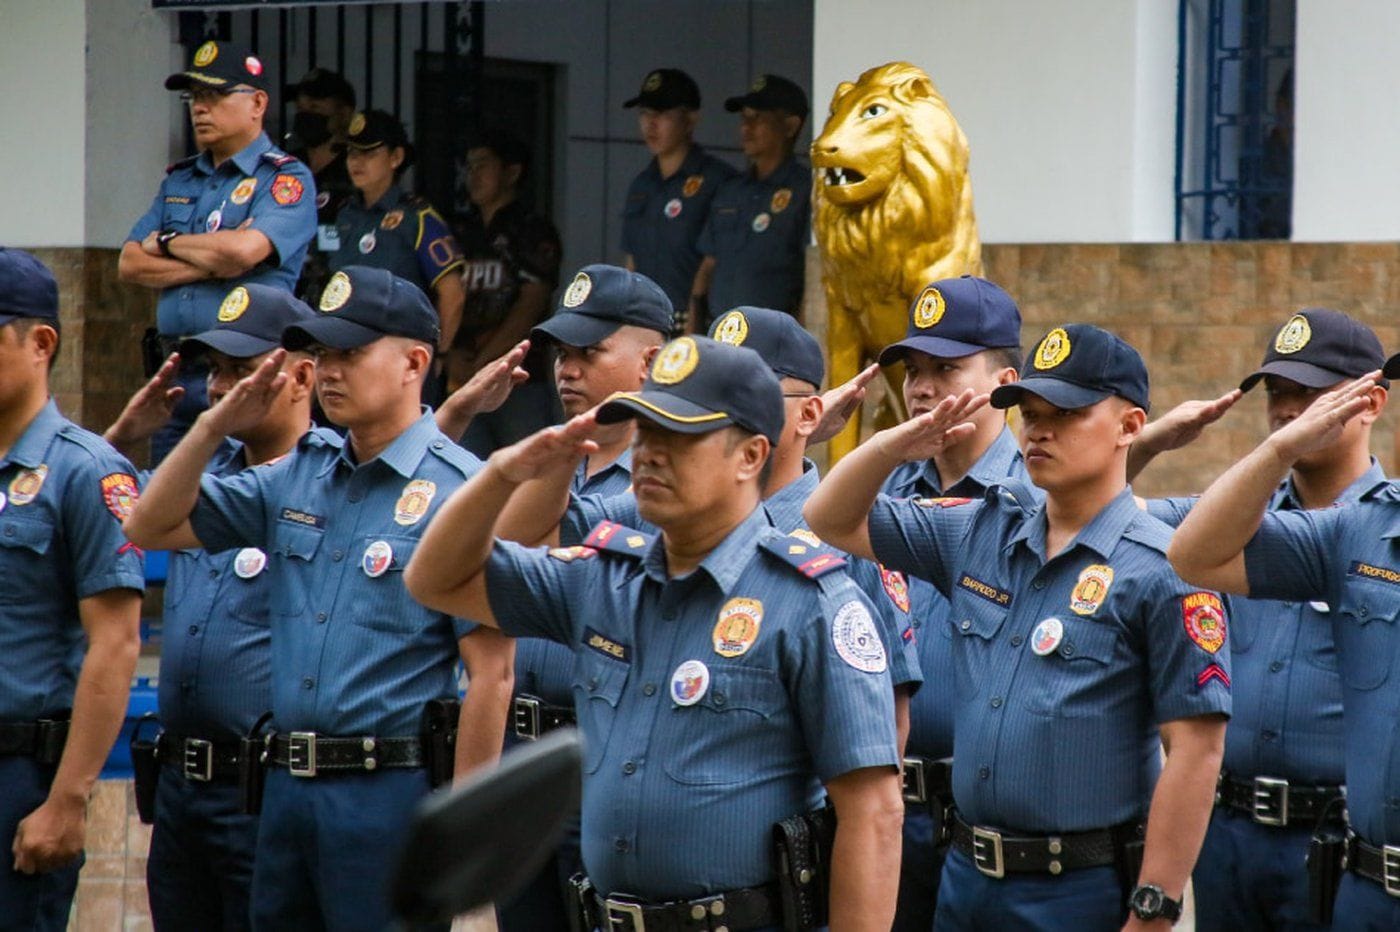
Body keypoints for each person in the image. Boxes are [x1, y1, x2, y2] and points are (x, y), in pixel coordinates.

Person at [407, 336, 904, 931]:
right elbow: (434, 579)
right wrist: (503, 474)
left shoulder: (811, 603)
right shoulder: (604, 579)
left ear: (750, 455)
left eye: (679, 438)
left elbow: (873, 814)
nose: (650, 456)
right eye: (645, 433)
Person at [122, 266, 514, 932]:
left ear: (414, 362)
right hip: (284, 792)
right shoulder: (301, 474)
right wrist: (213, 426)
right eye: (323, 353)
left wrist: (465, 848)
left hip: (386, 790)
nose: (330, 370)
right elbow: (149, 524)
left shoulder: (461, 491)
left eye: (351, 354)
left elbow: (492, 676)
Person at [806, 324, 1232, 930]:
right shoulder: (982, 530)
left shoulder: (1165, 568)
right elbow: (827, 517)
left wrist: (1155, 908)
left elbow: (1195, 749)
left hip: (1076, 889)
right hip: (965, 877)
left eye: (1066, 413)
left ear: (1130, 426)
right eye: (1029, 413)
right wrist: (896, 446)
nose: (1038, 429)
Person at [1131, 308, 1387, 931]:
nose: (1287, 410)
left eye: (1310, 392)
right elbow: (1107, 512)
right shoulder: (1231, 520)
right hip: (1228, 831)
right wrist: (1148, 440)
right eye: (1278, 392)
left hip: (1337, 839)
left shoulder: (1386, 530)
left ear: (1369, 404)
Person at [104, 284, 316, 931]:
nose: (220, 390)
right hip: (179, 788)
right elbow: (107, 518)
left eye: (243, 371)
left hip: (264, 790)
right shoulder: (197, 477)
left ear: (302, 375)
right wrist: (119, 439)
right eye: (216, 372)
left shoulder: (326, 485)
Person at [478, 263, 670, 931]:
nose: (568, 369)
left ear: (651, 361)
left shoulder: (673, 479)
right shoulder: (539, 464)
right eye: (563, 352)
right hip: (526, 766)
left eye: (590, 353)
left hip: (614, 768)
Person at [870, 276, 1026, 931]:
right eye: (914, 371)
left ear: (1005, 382)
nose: (923, 388)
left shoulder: (1037, 502)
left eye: (947, 369)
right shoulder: (878, 495)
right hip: (882, 810)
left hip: (987, 825)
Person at [0, 249, 145, 929]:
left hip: (19, 773)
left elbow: (114, 646)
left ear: (41, 343)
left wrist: (68, 799)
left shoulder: (85, 471)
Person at [120, 39, 317, 464]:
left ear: (257, 103)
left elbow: (244, 253)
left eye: (216, 95)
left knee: (235, 505)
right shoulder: (181, 179)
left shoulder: (284, 178)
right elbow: (131, 263)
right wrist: (214, 263)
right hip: (175, 371)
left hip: (243, 372)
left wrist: (171, 245)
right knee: (168, 513)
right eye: (195, 97)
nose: (200, 108)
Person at [330, 108, 466, 399]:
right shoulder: (344, 214)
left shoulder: (418, 218)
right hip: (343, 352)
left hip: (398, 358)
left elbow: (452, 294)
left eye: (368, 153)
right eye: (352, 153)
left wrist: (438, 353)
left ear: (396, 158)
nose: (356, 161)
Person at [452, 131, 564, 458]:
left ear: (511, 173)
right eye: (469, 166)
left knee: (527, 474)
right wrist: (451, 356)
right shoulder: (460, 231)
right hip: (465, 376)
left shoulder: (532, 229)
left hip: (520, 379)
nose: (472, 175)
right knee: (464, 475)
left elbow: (531, 304)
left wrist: (485, 362)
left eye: (482, 165)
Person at [619, 68, 737, 334]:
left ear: (690, 119)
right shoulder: (642, 184)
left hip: (696, 324)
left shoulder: (719, 181)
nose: (651, 124)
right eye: (644, 114)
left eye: (661, 114)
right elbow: (631, 262)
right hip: (644, 323)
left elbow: (718, 262)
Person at [691, 74, 812, 330]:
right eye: (744, 118)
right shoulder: (731, 189)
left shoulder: (806, 190)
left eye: (758, 119)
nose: (746, 128)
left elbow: (812, 275)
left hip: (774, 337)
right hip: (720, 333)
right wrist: (692, 328)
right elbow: (707, 266)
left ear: (790, 127)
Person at [282, 68, 358, 302]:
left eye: (315, 108)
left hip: (339, 288)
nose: (305, 115)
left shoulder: (357, 168)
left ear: (344, 114)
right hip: (287, 287)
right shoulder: (286, 165)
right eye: (301, 109)